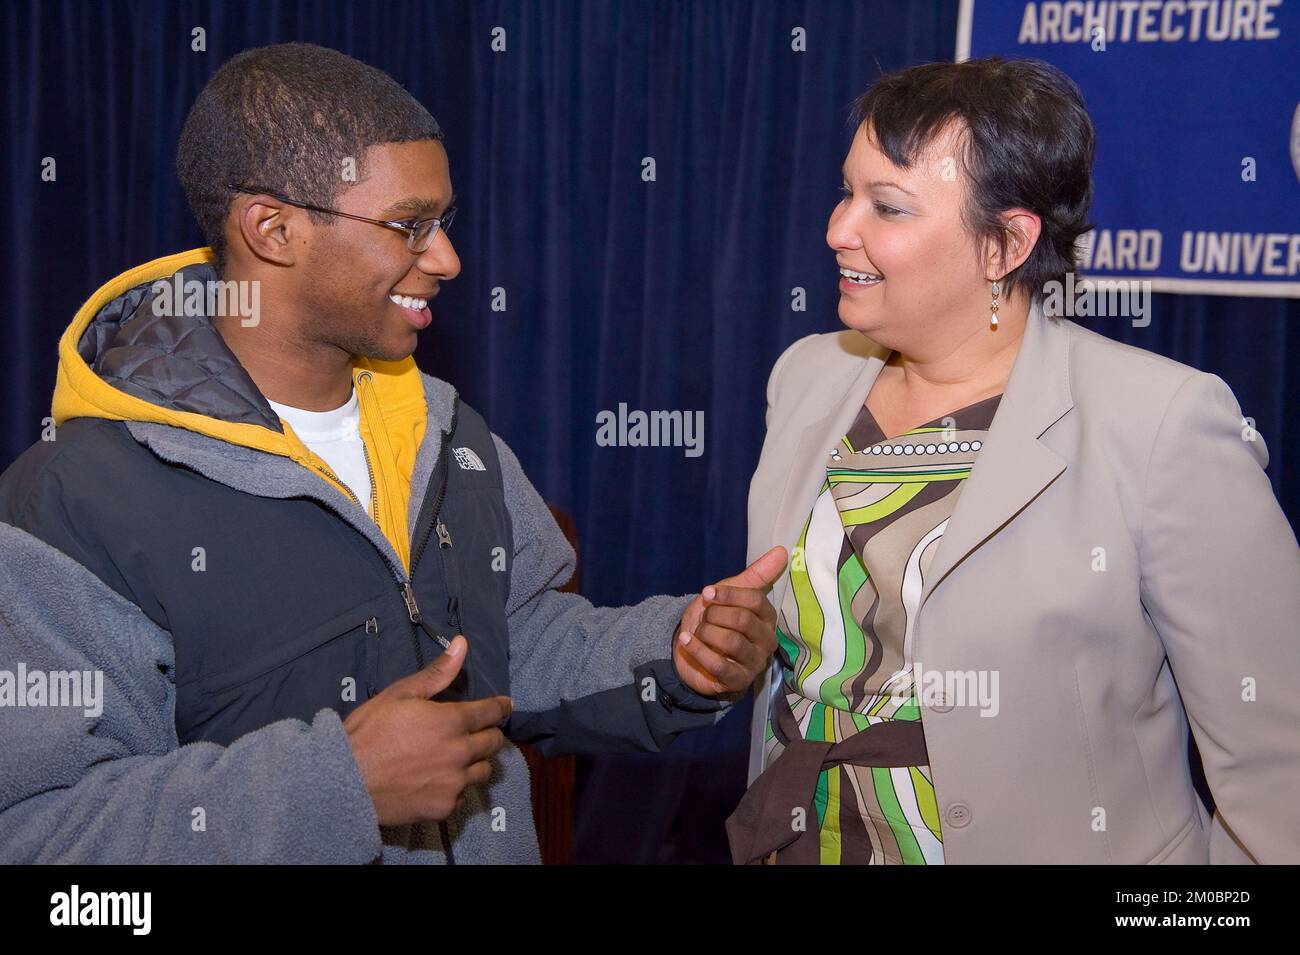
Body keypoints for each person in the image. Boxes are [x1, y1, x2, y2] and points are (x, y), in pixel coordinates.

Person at [0, 42, 786, 864]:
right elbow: (41, 837)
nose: (446, 259)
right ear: (273, 228)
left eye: (443, 223)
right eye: (409, 226)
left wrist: (677, 654)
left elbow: (518, 641)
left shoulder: (446, 433)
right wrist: (341, 785)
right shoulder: (70, 506)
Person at [727, 56, 1300, 865]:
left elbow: (1280, 763)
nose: (838, 228)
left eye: (886, 207)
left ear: (1004, 244)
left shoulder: (1160, 423)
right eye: (847, 190)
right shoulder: (808, 378)